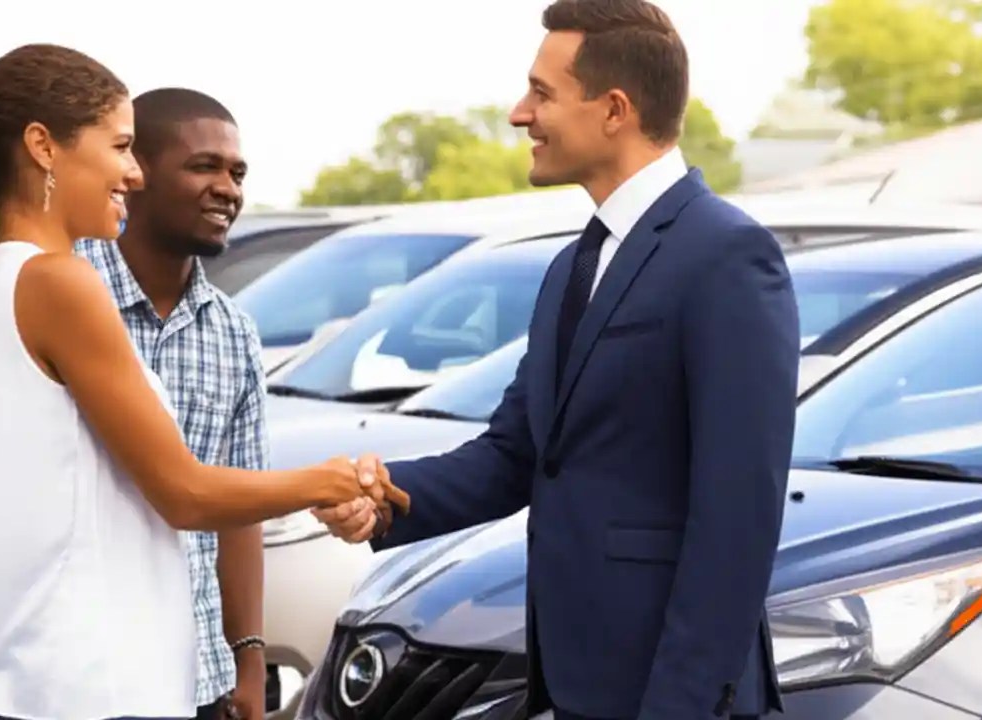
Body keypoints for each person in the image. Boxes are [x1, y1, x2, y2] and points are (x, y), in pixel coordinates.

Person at [315, 1, 799, 719]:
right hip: (574, 686)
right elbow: (517, 455)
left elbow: (737, 520)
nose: (519, 114)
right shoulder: (571, 267)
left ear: (614, 110)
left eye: (541, 93)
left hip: (672, 695)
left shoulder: (727, 255)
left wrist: (681, 706)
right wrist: (386, 500)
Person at [0, 44, 375, 720]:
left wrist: (244, 650)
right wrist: (333, 480)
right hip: (90, 681)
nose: (131, 172)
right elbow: (183, 491)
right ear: (44, 147)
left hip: (42, 677)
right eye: (120, 146)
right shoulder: (61, 282)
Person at [0, 83, 282, 720]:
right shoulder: (44, 286)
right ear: (136, 170)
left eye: (237, 172)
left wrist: (246, 655)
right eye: (204, 166)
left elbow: (238, 506)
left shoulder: (235, 331)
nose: (228, 188)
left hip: (188, 681)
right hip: (71, 684)